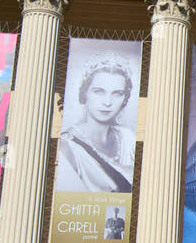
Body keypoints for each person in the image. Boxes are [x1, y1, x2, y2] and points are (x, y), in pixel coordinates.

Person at [56, 55, 137, 193]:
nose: (107, 102)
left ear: (124, 99)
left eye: (117, 93)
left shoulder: (128, 138)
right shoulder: (66, 146)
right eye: (98, 92)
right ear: (84, 94)